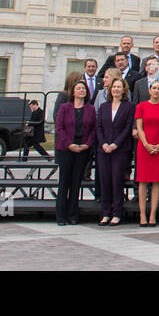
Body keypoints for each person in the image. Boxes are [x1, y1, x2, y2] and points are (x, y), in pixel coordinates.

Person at [54, 80, 95, 226]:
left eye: (83, 88)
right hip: (66, 149)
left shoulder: (90, 109)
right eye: (78, 88)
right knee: (64, 182)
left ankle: (73, 214)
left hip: (82, 149)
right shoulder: (65, 107)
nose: (81, 91)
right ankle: (61, 215)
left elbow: (93, 130)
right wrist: (69, 144)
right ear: (73, 92)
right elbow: (59, 128)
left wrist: (86, 145)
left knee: (76, 182)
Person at [96, 76, 134, 226]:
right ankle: (105, 213)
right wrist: (104, 143)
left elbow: (127, 127)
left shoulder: (129, 106)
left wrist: (116, 144)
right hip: (104, 149)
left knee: (117, 181)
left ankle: (117, 213)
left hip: (120, 150)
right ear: (110, 90)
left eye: (119, 87)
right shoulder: (104, 106)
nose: (116, 89)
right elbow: (99, 127)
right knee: (105, 181)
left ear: (124, 90)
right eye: (114, 87)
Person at [135, 79, 159, 226]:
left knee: (157, 181)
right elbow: (139, 127)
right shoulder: (141, 106)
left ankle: (153, 215)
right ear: (149, 90)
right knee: (143, 181)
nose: (156, 91)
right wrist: (146, 144)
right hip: (144, 146)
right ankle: (142, 214)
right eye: (154, 88)